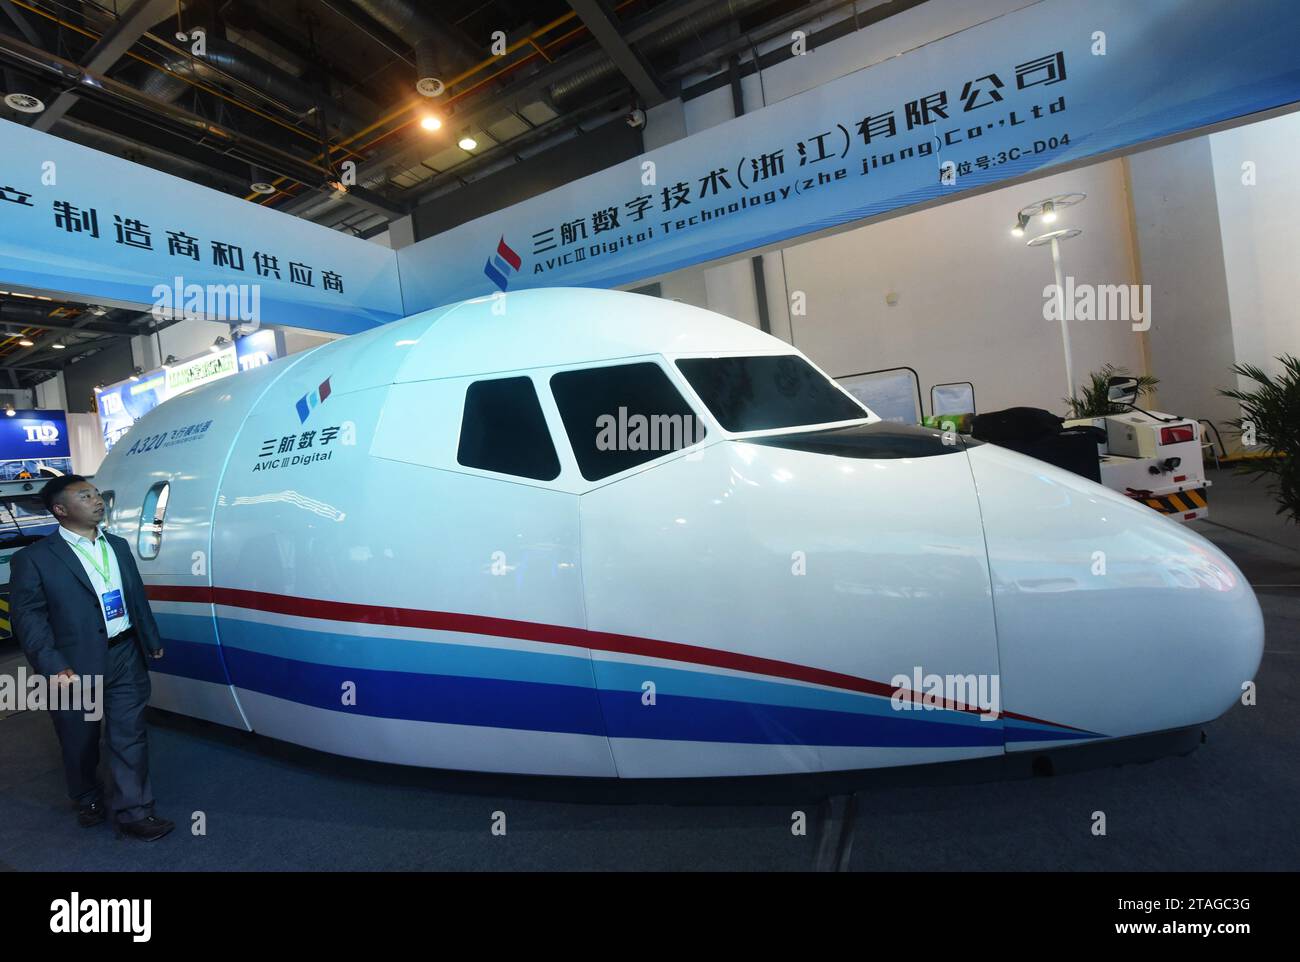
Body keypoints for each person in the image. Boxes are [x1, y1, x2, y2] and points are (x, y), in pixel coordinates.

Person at [10, 475, 174, 841]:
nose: (97, 500)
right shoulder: (34, 559)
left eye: (96, 493)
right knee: (79, 739)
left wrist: (149, 637)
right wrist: (53, 666)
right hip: (71, 665)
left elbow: (134, 596)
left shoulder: (116, 546)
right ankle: (86, 796)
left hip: (125, 653)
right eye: (85, 496)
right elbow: (29, 620)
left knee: (128, 735)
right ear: (60, 510)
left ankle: (134, 812)